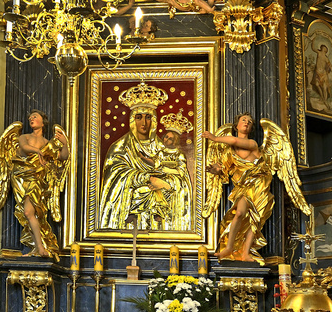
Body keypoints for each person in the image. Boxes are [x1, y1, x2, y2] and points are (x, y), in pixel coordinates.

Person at [203, 113, 310, 264]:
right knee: (239, 213)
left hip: (259, 184)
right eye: (243, 120)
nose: (246, 123)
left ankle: (245, 253)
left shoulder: (252, 143)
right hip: (244, 186)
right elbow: (224, 169)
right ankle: (228, 248)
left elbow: (233, 139)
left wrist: (214, 138)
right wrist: (216, 169)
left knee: (255, 220)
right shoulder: (229, 152)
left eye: (250, 122)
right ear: (236, 125)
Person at [99, 82, 192, 231]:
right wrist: (147, 178)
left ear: (153, 120)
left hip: (159, 220)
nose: (144, 123)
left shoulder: (164, 148)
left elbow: (182, 180)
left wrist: (165, 184)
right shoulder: (120, 148)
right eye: (139, 117)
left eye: (148, 117)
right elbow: (114, 179)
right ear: (132, 120)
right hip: (131, 218)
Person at [0, 111, 69, 260]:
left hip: (35, 179)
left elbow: (63, 156)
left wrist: (64, 143)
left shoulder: (47, 143)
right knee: (25, 214)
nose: (31, 119)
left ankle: (40, 247)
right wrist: (38, 151)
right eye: (30, 118)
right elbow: (25, 147)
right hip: (20, 177)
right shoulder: (24, 136)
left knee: (28, 212)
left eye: (35, 116)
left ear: (42, 122)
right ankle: (35, 246)